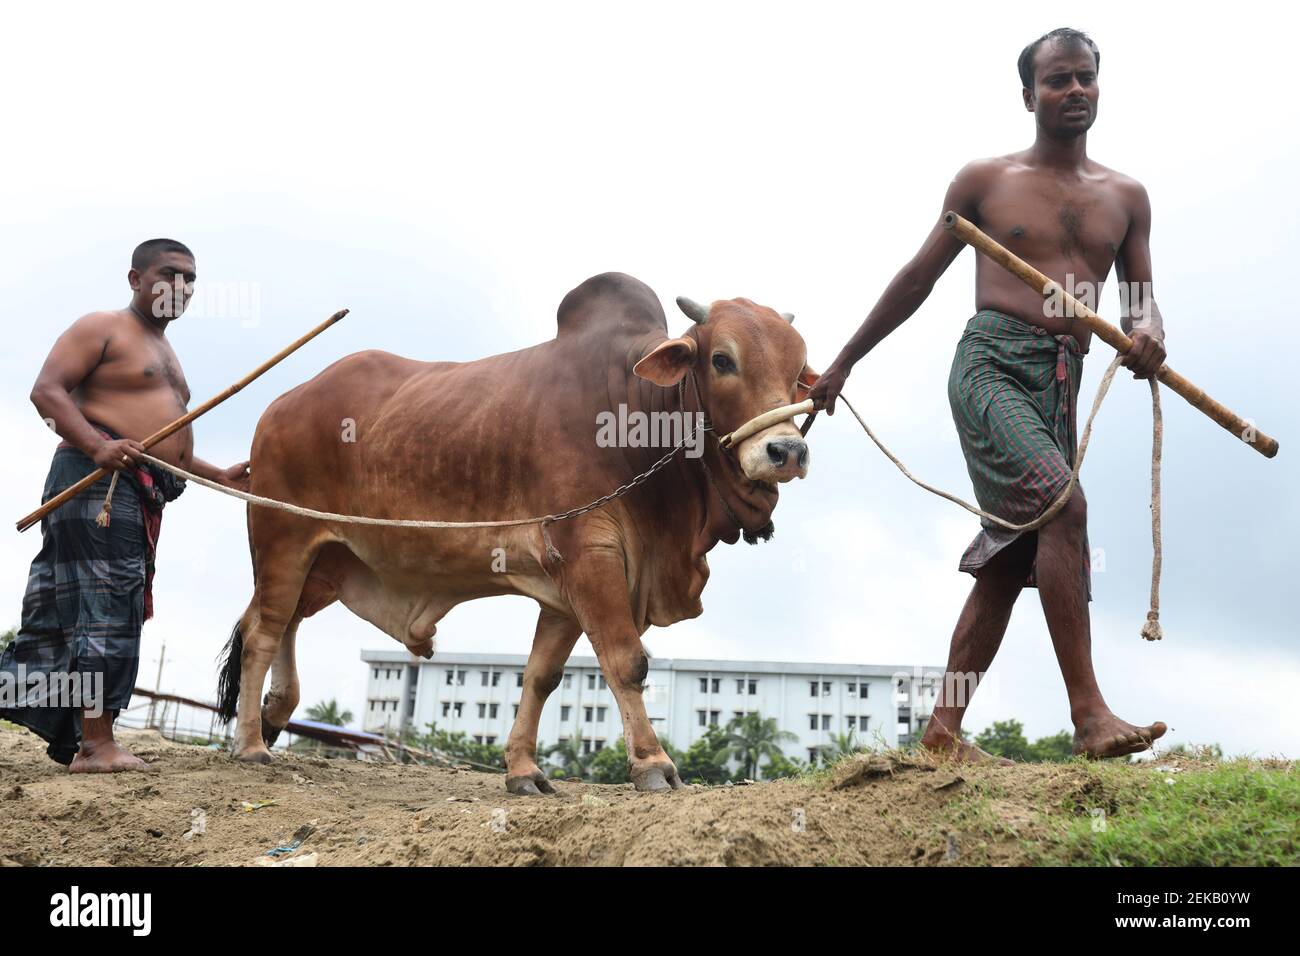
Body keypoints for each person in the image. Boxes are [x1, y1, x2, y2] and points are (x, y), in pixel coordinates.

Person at [809, 28, 1168, 761]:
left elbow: (1142, 299)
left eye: (1086, 79)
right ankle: (1090, 714)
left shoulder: (1126, 197)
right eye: (1059, 80)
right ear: (1028, 94)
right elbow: (918, 278)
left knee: (1012, 559)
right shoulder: (984, 181)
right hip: (992, 367)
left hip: (1061, 383)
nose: (1075, 92)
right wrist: (844, 363)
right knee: (1065, 506)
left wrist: (1147, 334)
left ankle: (941, 735)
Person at [0, 238, 250, 772]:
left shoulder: (165, 351)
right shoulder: (104, 326)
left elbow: (159, 443)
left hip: (133, 487)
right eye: (168, 274)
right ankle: (95, 744)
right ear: (136, 279)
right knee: (104, 609)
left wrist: (219, 475)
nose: (179, 287)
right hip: (95, 482)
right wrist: (96, 445)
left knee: (100, 609)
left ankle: (87, 737)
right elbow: (46, 392)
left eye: (190, 279)